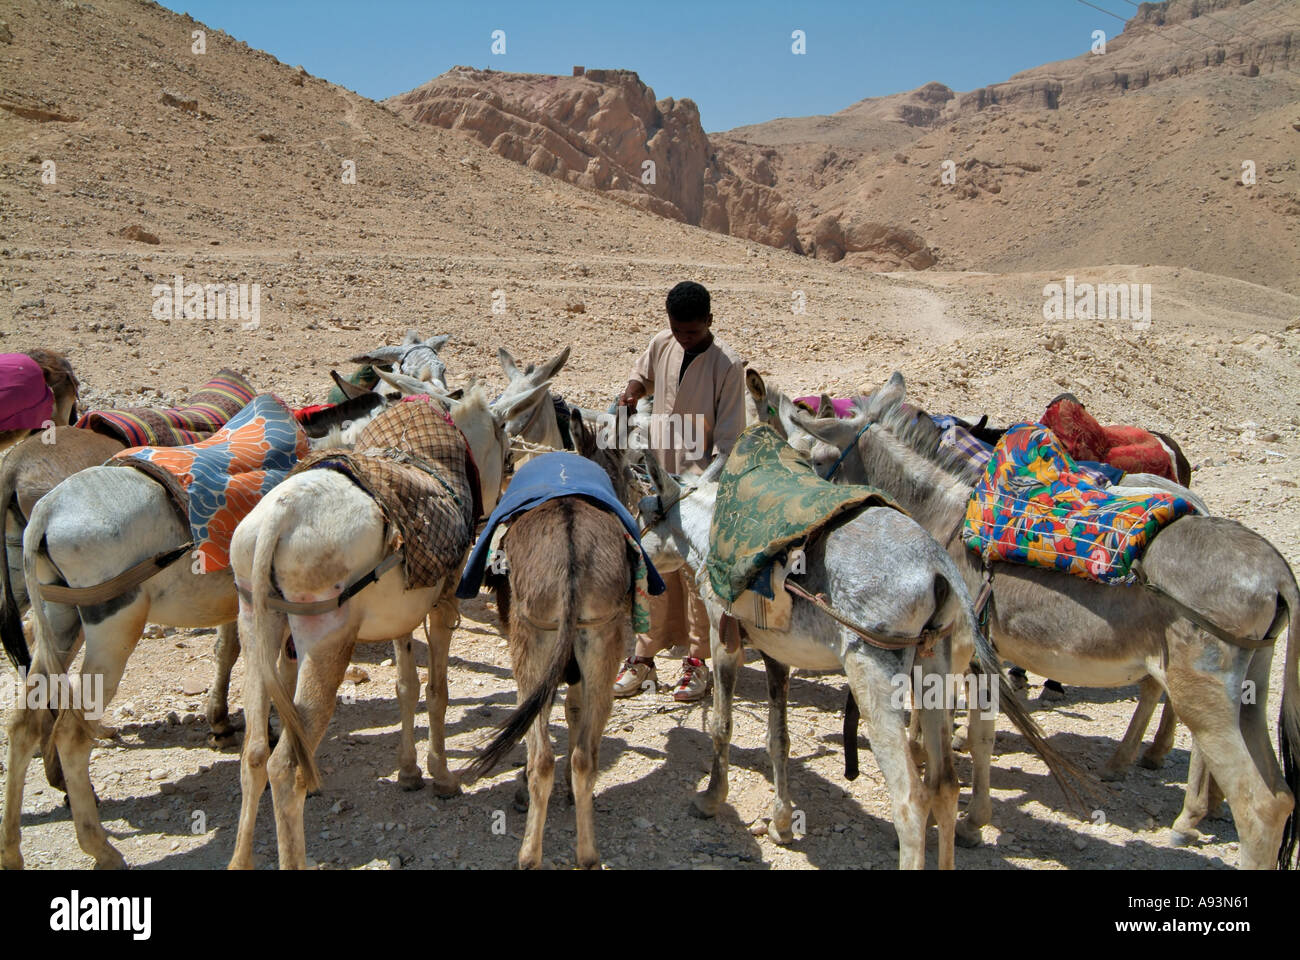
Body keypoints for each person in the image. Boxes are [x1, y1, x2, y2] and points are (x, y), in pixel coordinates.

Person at [612, 281, 746, 701]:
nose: (683, 338)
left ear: (709, 320)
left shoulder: (728, 366)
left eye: (692, 331)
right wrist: (632, 392)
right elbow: (642, 377)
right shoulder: (661, 342)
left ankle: (697, 662)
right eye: (677, 330)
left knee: (693, 575)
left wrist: (698, 490)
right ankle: (643, 658)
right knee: (650, 567)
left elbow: (728, 444)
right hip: (658, 477)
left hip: (699, 485)